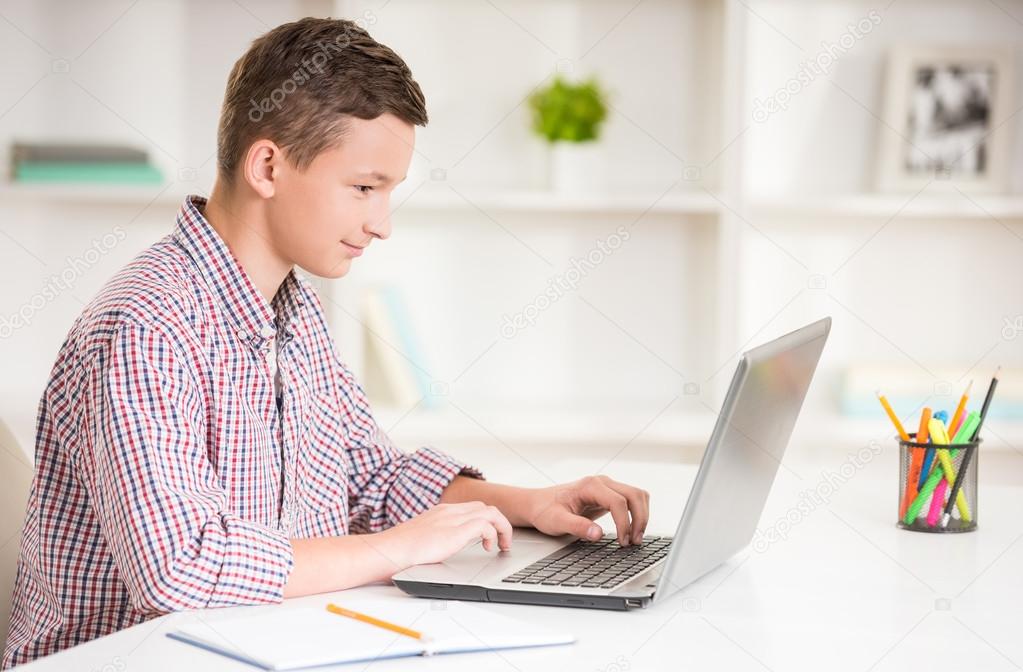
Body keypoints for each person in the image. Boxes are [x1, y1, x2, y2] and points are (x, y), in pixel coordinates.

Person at [2, 17, 649, 668]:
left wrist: (528, 504)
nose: (381, 224)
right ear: (267, 166)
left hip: (261, 642)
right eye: (365, 188)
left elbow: (369, 480)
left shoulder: (294, 310)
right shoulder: (146, 325)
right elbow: (181, 571)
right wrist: (393, 550)